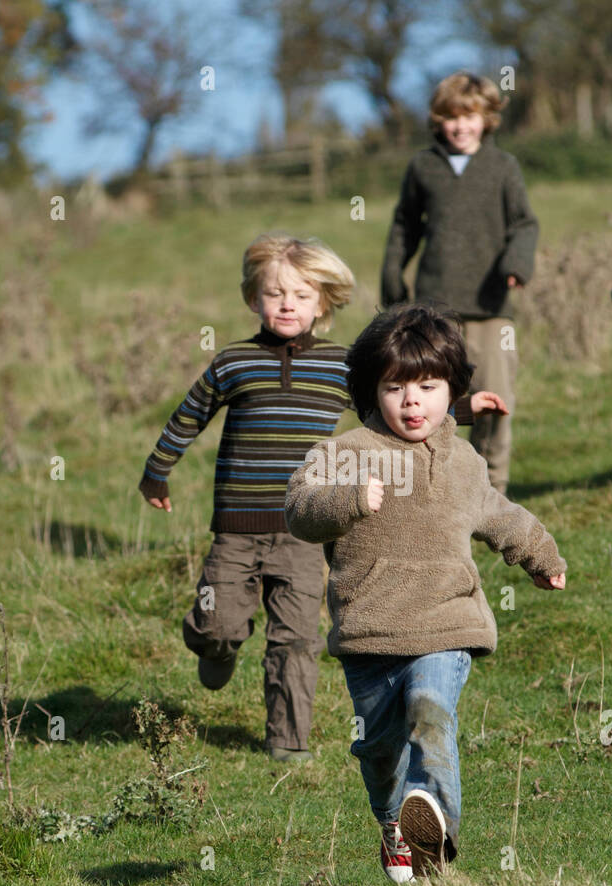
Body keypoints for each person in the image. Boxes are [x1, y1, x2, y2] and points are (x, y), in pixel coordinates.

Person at [140, 234, 504, 763]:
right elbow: (188, 416)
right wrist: (157, 472)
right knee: (220, 619)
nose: (288, 304)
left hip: (310, 527)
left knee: (296, 637)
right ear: (253, 299)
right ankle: (213, 644)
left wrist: (463, 410)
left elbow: (396, 410)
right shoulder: (233, 362)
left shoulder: (341, 366)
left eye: (302, 295)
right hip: (238, 526)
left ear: (325, 302)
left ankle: (288, 741)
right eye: (275, 293)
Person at [284, 304, 566, 882]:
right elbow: (298, 508)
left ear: (451, 389)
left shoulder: (463, 461)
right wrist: (348, 501)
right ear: (371, 391)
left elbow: (499, 514)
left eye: (428, 386)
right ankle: (395, 824)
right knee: (380, 751)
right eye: (396, 387)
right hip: (369, 635)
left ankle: (435, 828)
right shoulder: (347, 452)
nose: (413, 401)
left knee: (430, 714)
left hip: (446, 625)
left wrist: (541, 555)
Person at [381, 71, 539, 496]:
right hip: (433, 312)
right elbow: (404, 226)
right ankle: (426, 494)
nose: (461, 125)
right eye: (451, 117)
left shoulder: (503, 167)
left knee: (494, 404)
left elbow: (524, 223)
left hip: (491, 309)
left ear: (487, 118)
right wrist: (393, 275)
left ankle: (492, 498)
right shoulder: (422, 166)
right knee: (428, 406)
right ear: (438, 119)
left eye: (470, 115)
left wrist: (517, 264)